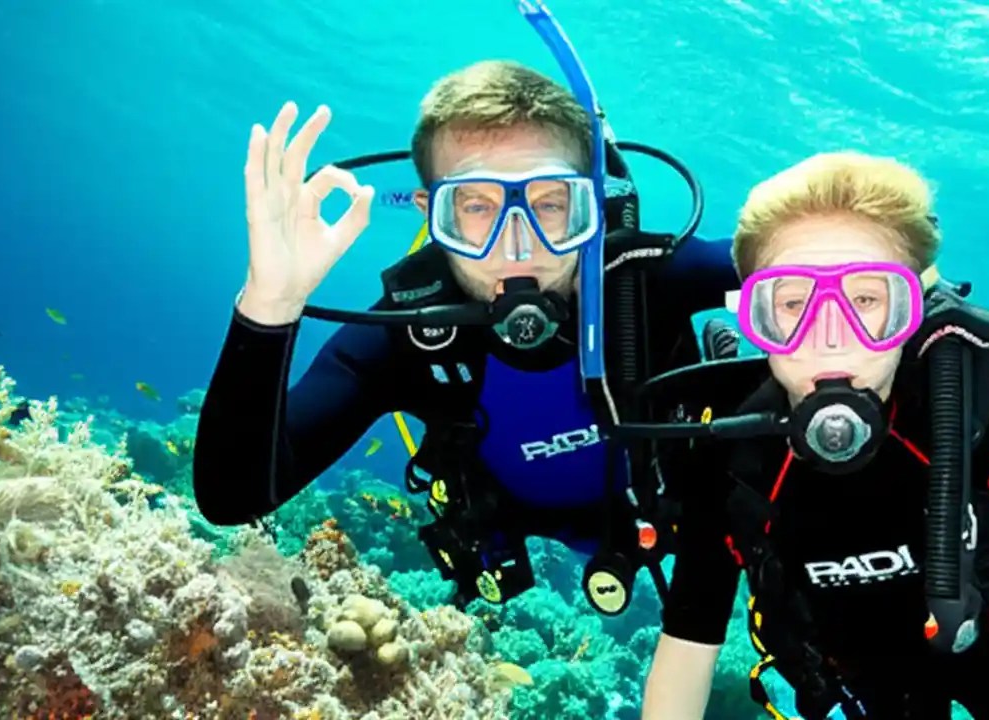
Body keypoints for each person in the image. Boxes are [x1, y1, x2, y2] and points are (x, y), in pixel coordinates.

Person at [192, 6, 739, 619]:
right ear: (432, 216)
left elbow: (804, 261)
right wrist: (269, 308)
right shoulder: (409, 335)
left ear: (593, 207)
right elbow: (233, 496)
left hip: (661, 501)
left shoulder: (646, 278)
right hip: (500, 518)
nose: (516, 242)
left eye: (550, 203)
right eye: (474, 208)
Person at [636, 152, 989, 719]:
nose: (831, 334)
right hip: (859, 690)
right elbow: (687, 650)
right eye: (791, 302)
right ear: (757, 318)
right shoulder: (733, 463)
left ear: (911, 313)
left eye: (866, 299)